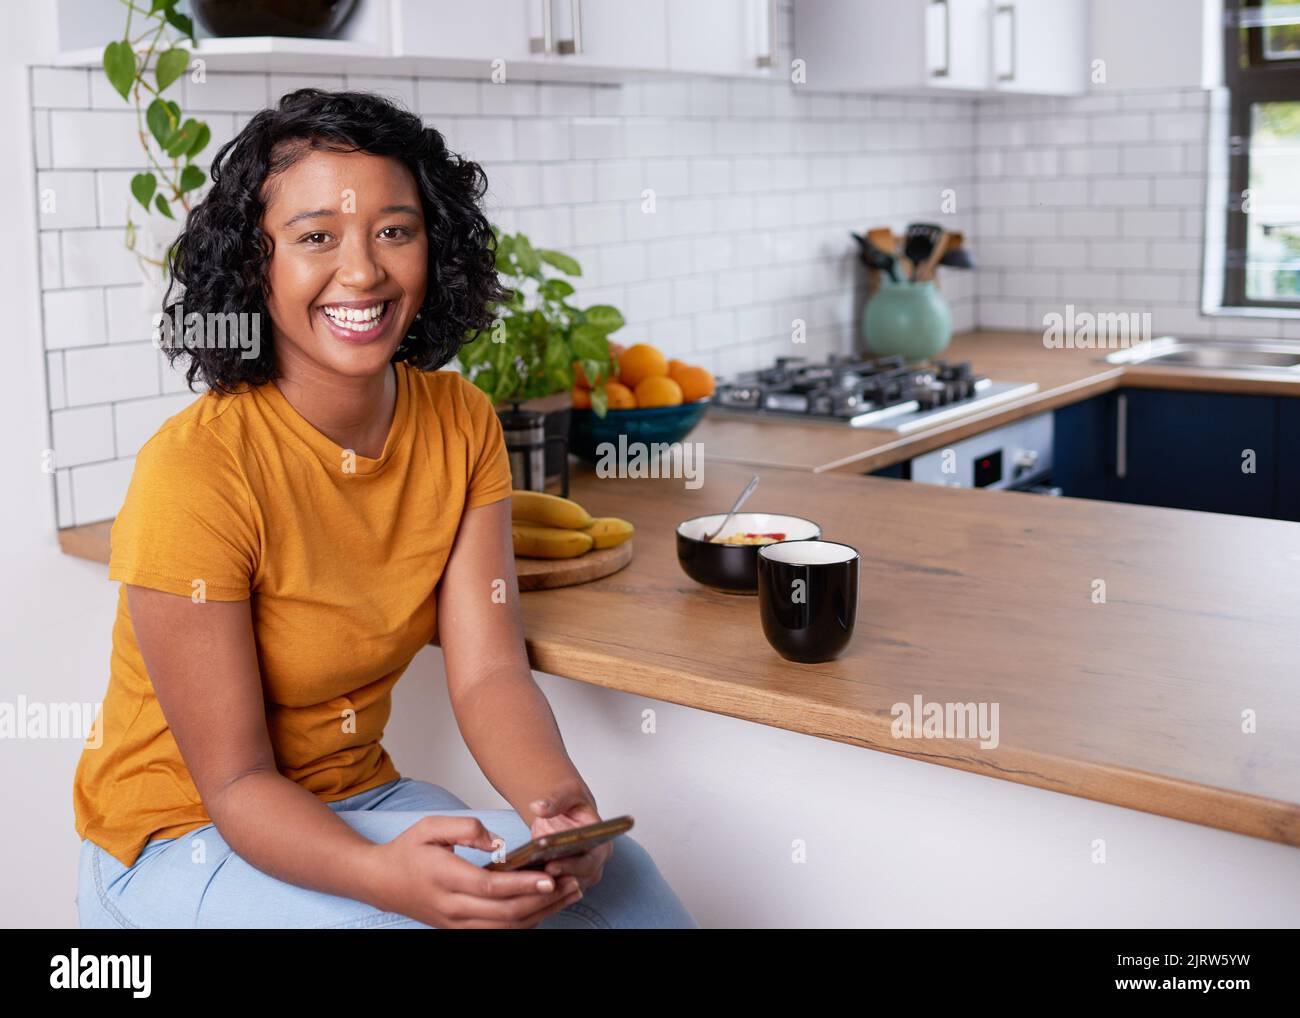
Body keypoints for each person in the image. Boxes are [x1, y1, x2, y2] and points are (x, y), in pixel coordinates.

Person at [72, 88, 698, 930]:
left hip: (361, 796)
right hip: (182, 838)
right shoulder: (198, 469)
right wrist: (381, 877)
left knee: (627, 892)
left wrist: (561, 810)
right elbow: (233, 784)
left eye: (394, 230)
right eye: (315, 237)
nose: (362, 270)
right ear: (256, 266)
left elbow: (488, 675)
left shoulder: (459, 420)